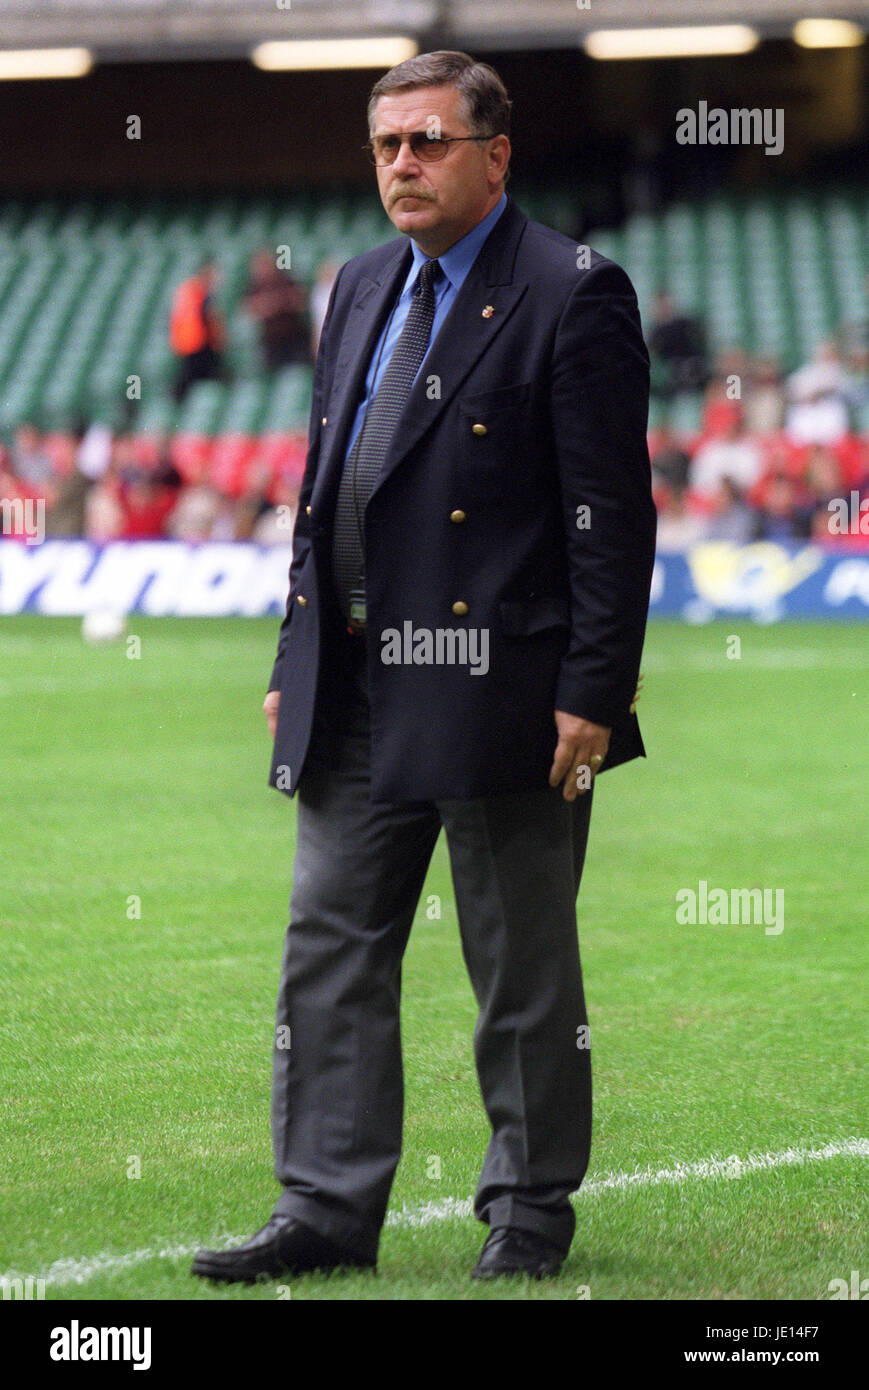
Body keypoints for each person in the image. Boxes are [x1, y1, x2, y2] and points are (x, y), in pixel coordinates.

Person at [192, 49, 656, 1286]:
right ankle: (326, 1210)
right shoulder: (353, 286)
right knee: (328, 947)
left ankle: (527, 1211)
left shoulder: (572, 289)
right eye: (386, 142)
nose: (401, 163)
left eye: (428, 141)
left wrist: (591, 690)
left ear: (493, 156)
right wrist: (300, 651)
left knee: (517, 963)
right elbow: (321, 492)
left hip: (502, 682)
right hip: (354, 679)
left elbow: (609, 515)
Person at [242, 248, 310, 370]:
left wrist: (276, 302)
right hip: (272, 342)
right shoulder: (254, 287)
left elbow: (300, 301)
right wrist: (274, 303)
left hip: (294, 338)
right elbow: (252, 308)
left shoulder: (285, 279)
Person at [169, 259, 225, 404]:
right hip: (197, 341)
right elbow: (206, 315)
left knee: (191, 377)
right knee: (201, 375)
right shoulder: (199, 290)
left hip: (186, 341)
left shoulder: (186, 289)